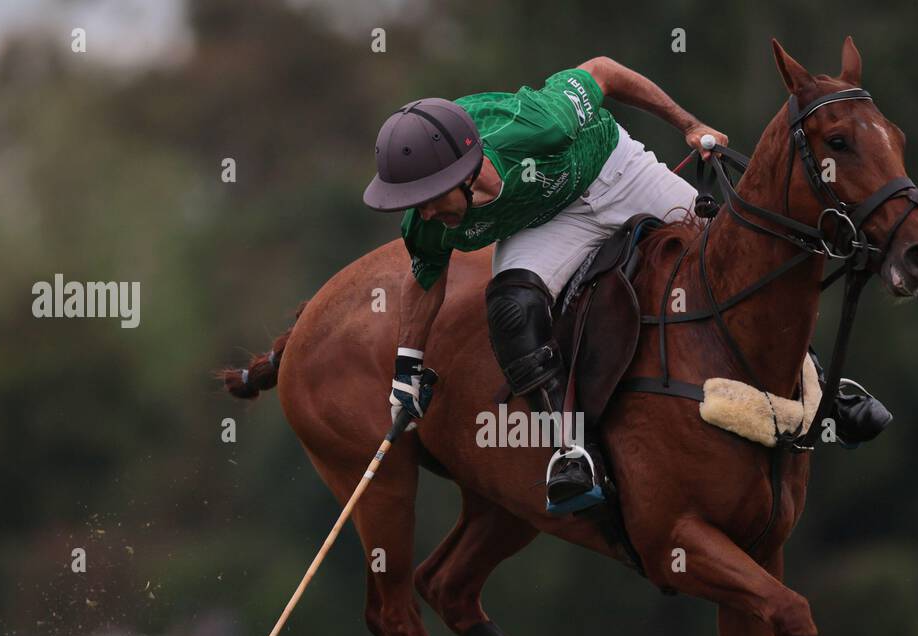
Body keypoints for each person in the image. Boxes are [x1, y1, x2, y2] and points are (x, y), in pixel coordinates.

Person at [363, 58, 890, 510]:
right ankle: (572, 452)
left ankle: (824, 388)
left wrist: (687, 123)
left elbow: (605, 72)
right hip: (546, 222)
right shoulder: (428, 220)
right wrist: (407, 368)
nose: (425, 211)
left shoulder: (539, 125)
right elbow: (424, 277)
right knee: (512, 309)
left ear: (466, 170)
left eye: (431, 196)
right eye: (415, 202)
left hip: (611, 171)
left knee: (730, 258)